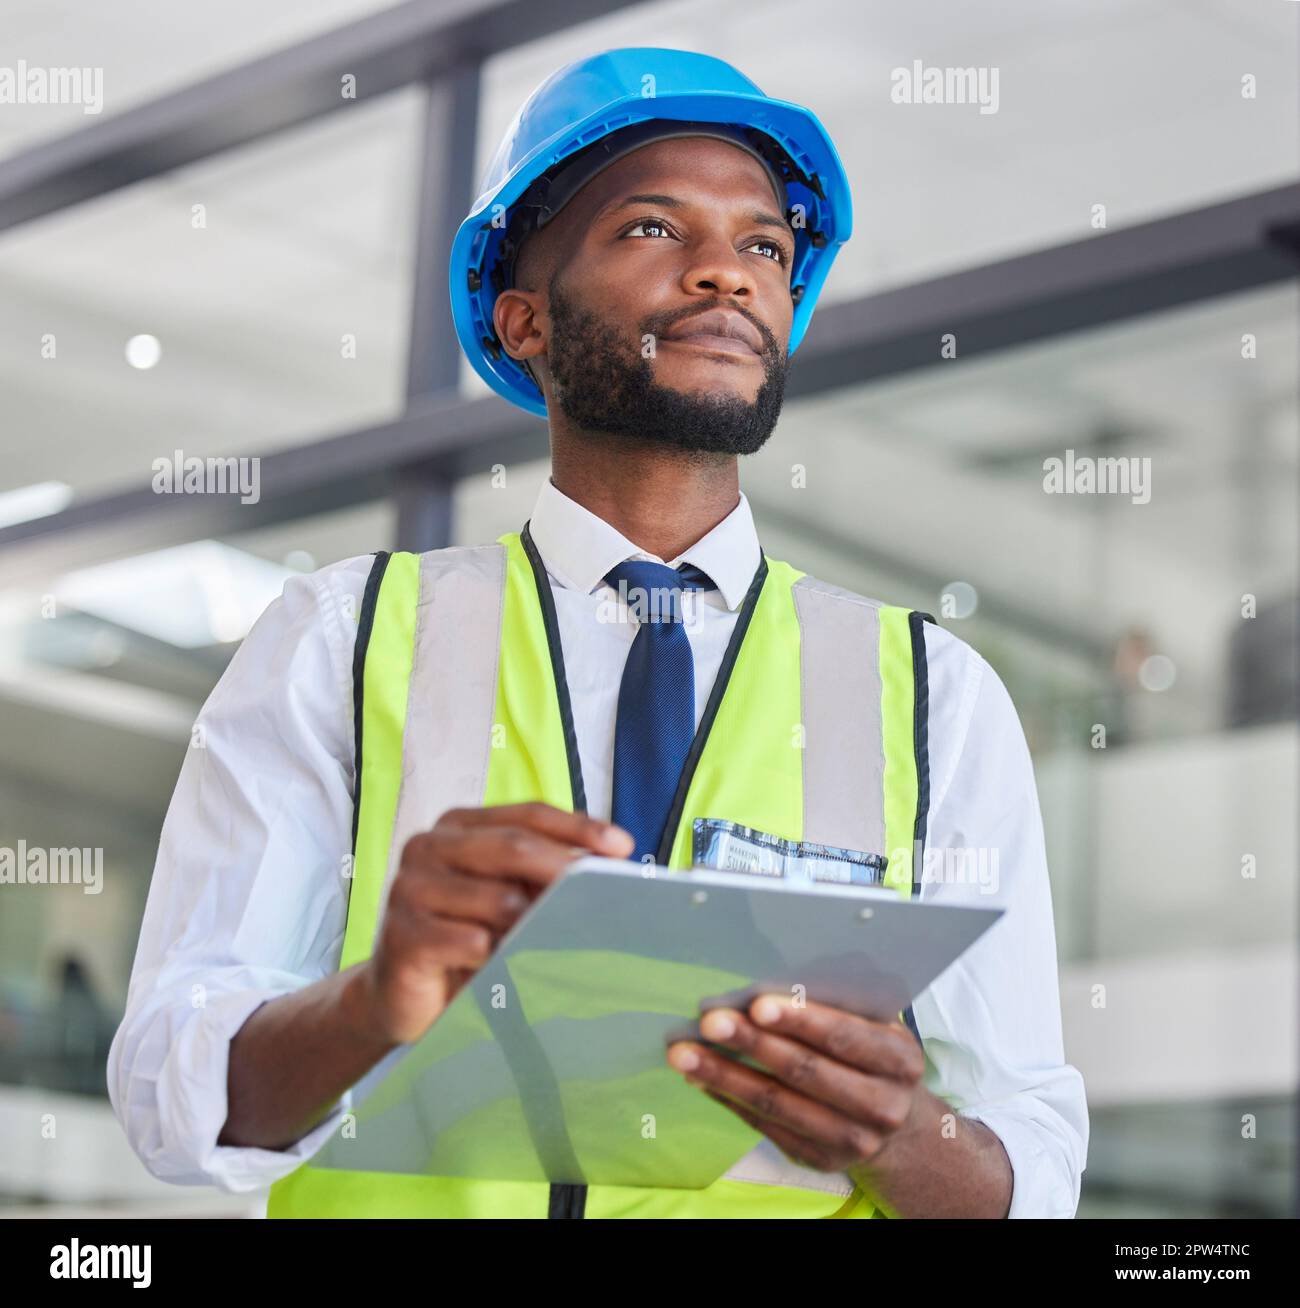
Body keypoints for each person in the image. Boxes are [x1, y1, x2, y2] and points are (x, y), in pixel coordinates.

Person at [108, 47, 1087, 1219]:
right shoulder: (342, 638)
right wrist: (377, 1001)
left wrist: (894, 1129)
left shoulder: (934, 694)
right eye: (653, 230)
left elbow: (1030, 1165)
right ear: (523, 318)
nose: (728, 272)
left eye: (765, 246)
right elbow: (174, 1095)